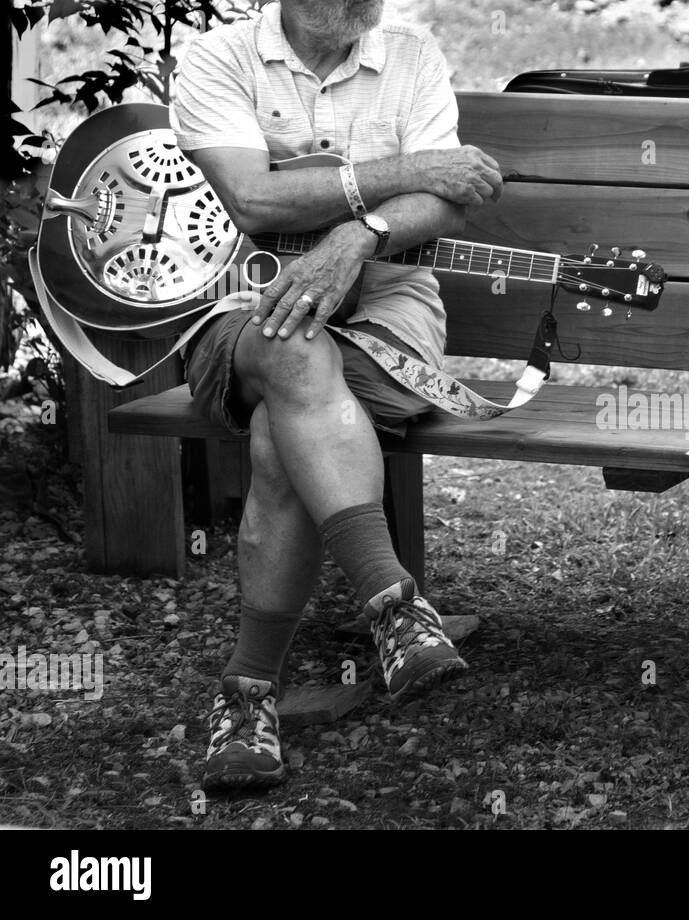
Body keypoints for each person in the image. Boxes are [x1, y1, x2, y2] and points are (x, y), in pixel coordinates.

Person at [169, 0, 504, 792]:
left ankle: (249, 694)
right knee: (289, 341)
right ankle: (394, 607)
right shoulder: (220, 60)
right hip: (242, 309)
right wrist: (408, 172)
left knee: (282, 425)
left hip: (391, 309)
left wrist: (360, 235)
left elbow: (449, 198)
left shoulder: (412, 60)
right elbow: (253, 201)